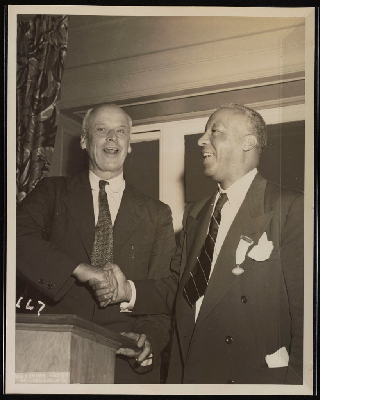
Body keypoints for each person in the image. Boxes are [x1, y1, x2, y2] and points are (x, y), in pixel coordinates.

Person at [92, 103, 304, 384]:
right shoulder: (195, 214)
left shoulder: (289, 207)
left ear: (248, 143)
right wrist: (126, 290)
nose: (202, 140)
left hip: (252, 381)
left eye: (214, 131)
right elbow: (178, 288)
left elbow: (310, 314)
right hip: (190, 375)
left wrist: (301, 384)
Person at [16, 104, 176, 384]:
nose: (112, 138)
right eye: (102, 129)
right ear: (84, 140)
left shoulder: (157, 213)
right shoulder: (51, 192)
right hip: (49, 354)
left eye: (121, 132)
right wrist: (79, 269)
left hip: (123, 363)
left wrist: (149, 340)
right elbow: (14, 237)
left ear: (129, 145)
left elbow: (163, 296)